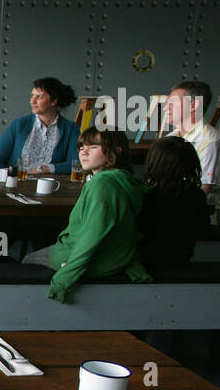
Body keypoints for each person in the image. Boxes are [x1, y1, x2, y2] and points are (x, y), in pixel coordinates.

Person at [23, 126, 150, 303]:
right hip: (113, 258)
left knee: (28, 259)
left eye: (93, 147)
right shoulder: (123, 179)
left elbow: (92, 236)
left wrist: (63, 280)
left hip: (95, 261)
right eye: (82, 147)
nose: (84, 152)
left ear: (116, 152)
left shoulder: (102, 185)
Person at [166, 79, 220, 224]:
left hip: (196, 218)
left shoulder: (212, 142)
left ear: (193, 105)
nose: (166, 108)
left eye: (172, 103)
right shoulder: (170, 138)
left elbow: (204, 189)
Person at [138, 135, 209, 271]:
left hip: (149, 263)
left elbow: (141, 234)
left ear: (155, 162)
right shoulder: (197, 194)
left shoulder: (152, 196)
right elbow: (202, 228)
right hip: (182, 260)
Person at [0, 77, 81, 176]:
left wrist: (44, 169)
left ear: (54, 100)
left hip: (52, 187)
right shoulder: (19, 124)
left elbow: (76, 165)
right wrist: (11, 178)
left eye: (39, 97)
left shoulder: (71, 129)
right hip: (16, 186)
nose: (32, 101)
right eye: (32, 96)